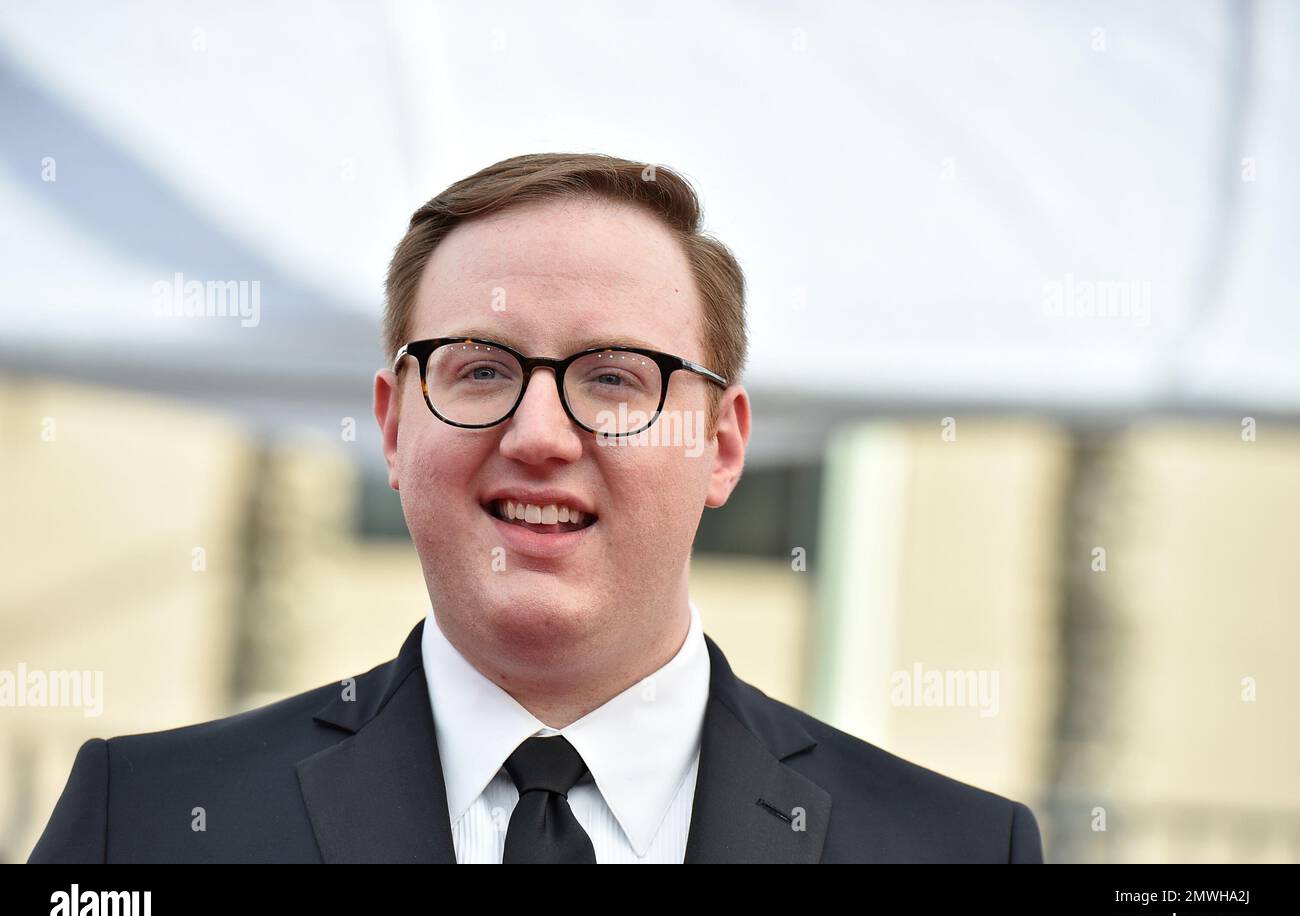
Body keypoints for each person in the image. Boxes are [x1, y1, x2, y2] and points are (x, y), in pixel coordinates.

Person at [28, 153, 1044, 863]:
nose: (541, 436)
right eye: (479, 369)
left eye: (613, 378)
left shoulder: (952, 851)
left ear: (722, 445)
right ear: (392, 427)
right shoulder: (150, 823)